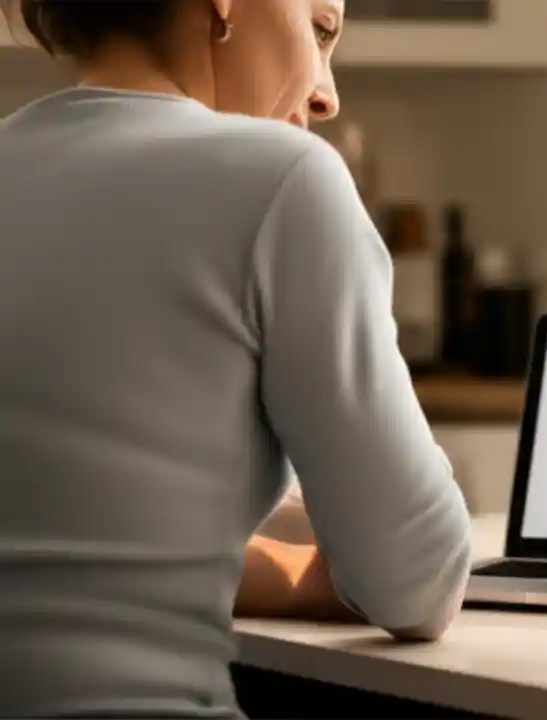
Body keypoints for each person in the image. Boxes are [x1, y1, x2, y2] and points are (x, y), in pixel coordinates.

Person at [0, 0, 472, 717]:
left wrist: (274, 570)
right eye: (318, 28)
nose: (326, 90)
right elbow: (418, 581)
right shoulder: (283, 179)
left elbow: (62, 533)